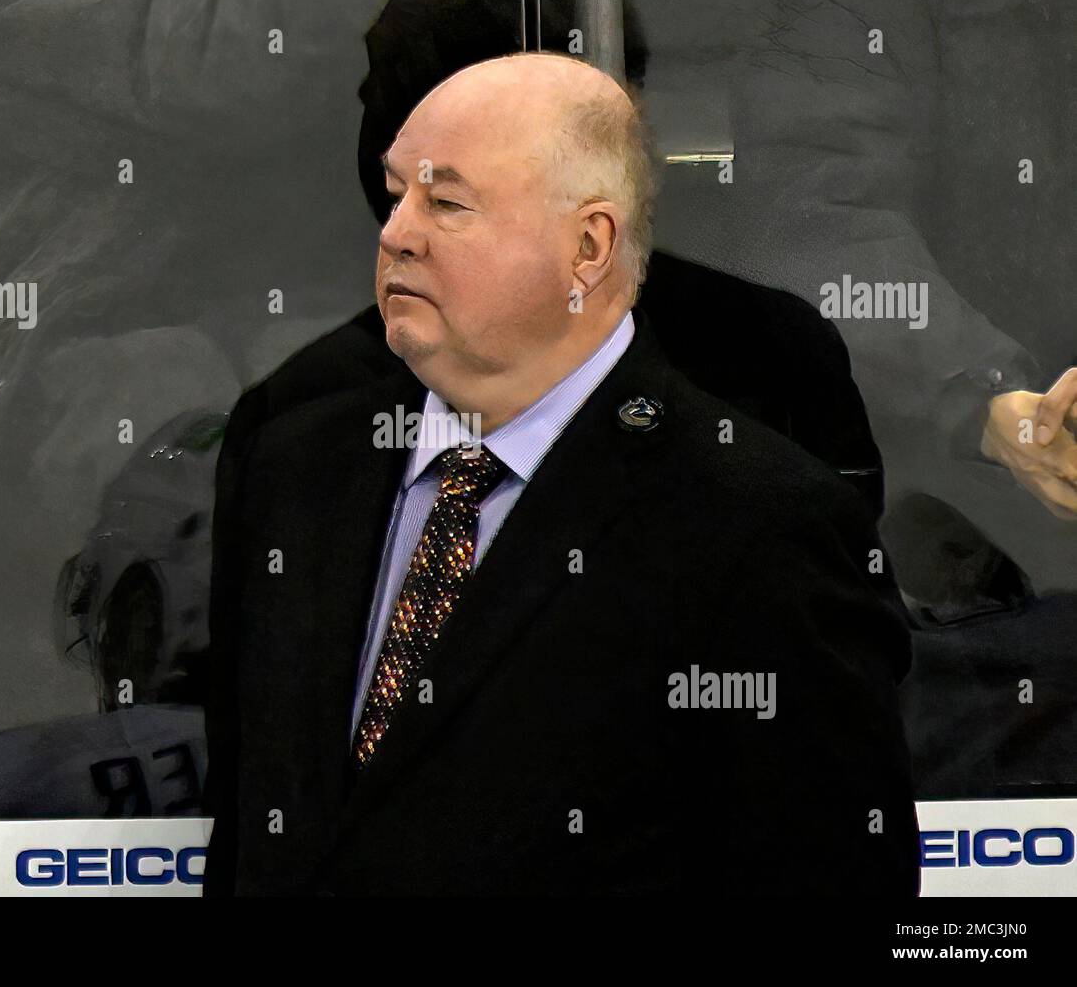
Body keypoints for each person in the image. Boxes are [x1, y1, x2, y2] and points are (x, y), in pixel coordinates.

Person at [203, 52, 918, 896]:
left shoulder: (760, 523)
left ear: (588, 246)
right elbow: (252, 824)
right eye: (396, 194)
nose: (397, 231)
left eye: (447, 201)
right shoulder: (293, 466)